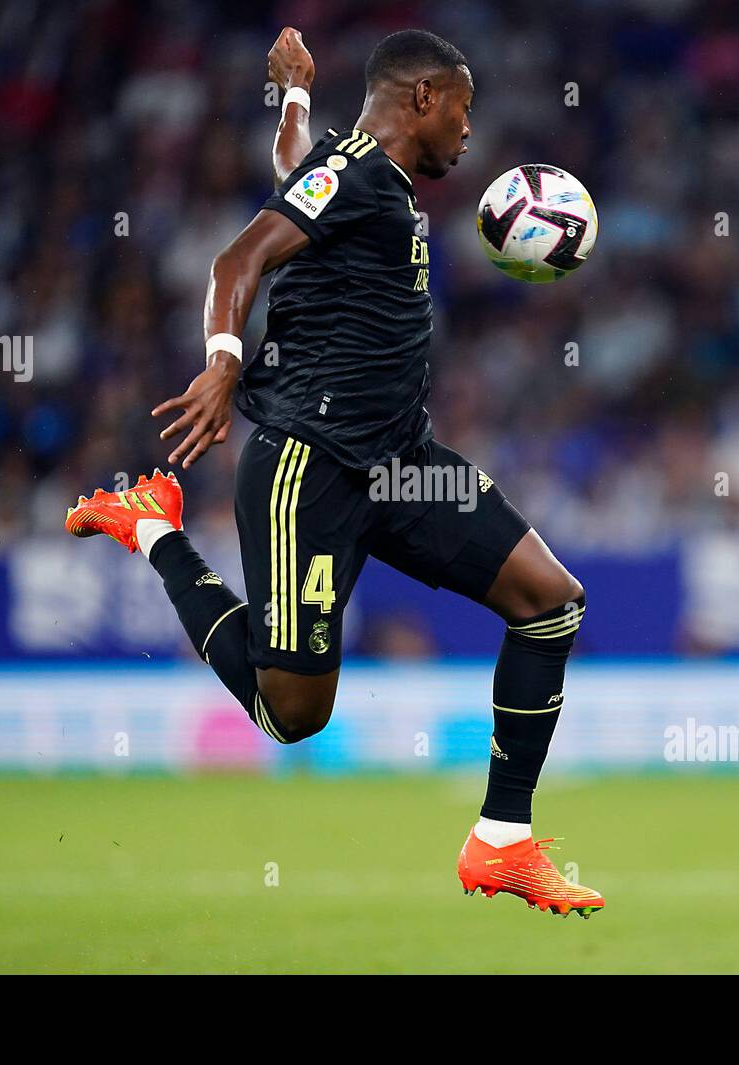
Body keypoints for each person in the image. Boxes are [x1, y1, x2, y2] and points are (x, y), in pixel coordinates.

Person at [66, 27, 603, 917]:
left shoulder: (358, 174)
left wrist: (294, 100)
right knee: (292, 715)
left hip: (400, 461)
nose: (470, 133)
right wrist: (224, 357)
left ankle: (501, 842)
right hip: (310, 467)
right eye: (463, 110)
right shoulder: (358, 173)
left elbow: (297, 175)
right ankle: (153, 526)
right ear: (423, 97)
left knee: (550, 602)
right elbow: (238, 257)